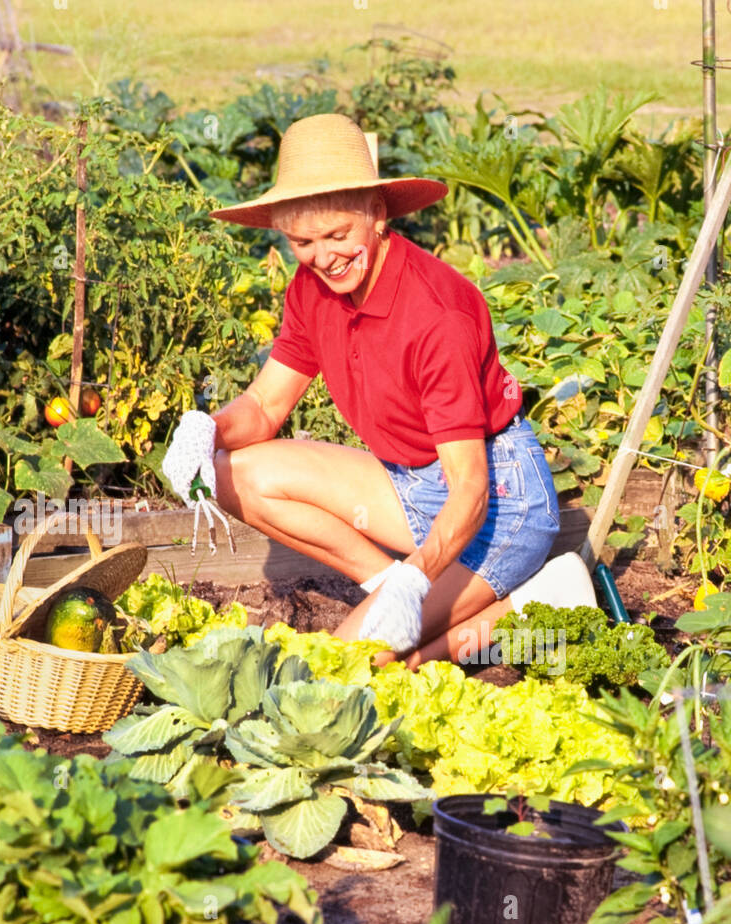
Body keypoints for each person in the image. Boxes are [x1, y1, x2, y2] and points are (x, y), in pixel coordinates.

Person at [161, 112, 596, 667]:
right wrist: (207, 427)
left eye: (338, 235)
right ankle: (399, 594)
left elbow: (470, 489)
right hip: (409, 484)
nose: (323, 257)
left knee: (352, 664)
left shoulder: (438, 316)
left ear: (377, 213)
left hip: (498, 505)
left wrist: (417, 583)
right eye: (303, 241)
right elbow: (267, 405)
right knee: (229, 472)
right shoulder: (311, 290)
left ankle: (523, 604)